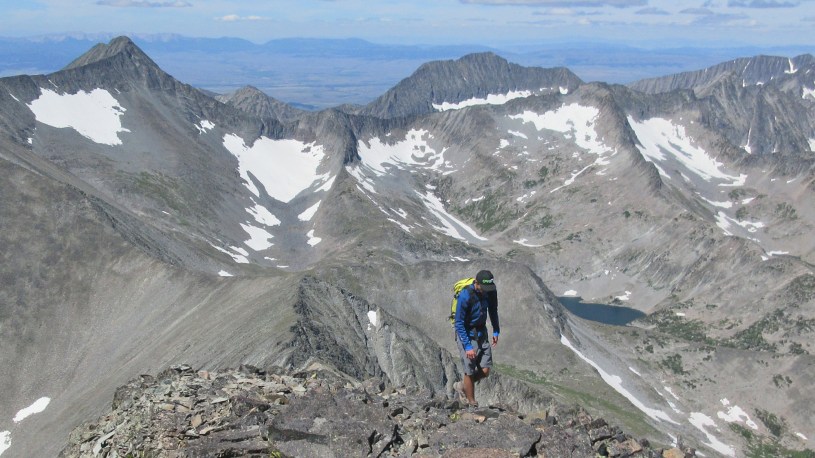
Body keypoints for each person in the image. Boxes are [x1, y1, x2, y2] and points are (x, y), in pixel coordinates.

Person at [453, 269, 499, 407]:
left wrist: (496, 330)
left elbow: (493, 310)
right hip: (467, 334)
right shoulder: (465, 295)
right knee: (470, 369)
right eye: (483, 288)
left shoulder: (490, 291)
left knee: (485, 369)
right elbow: (459, 323)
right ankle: (471, 402)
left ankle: (462, 385)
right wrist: (467, 346)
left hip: (481, 332)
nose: (486, 291)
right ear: (476, 283)